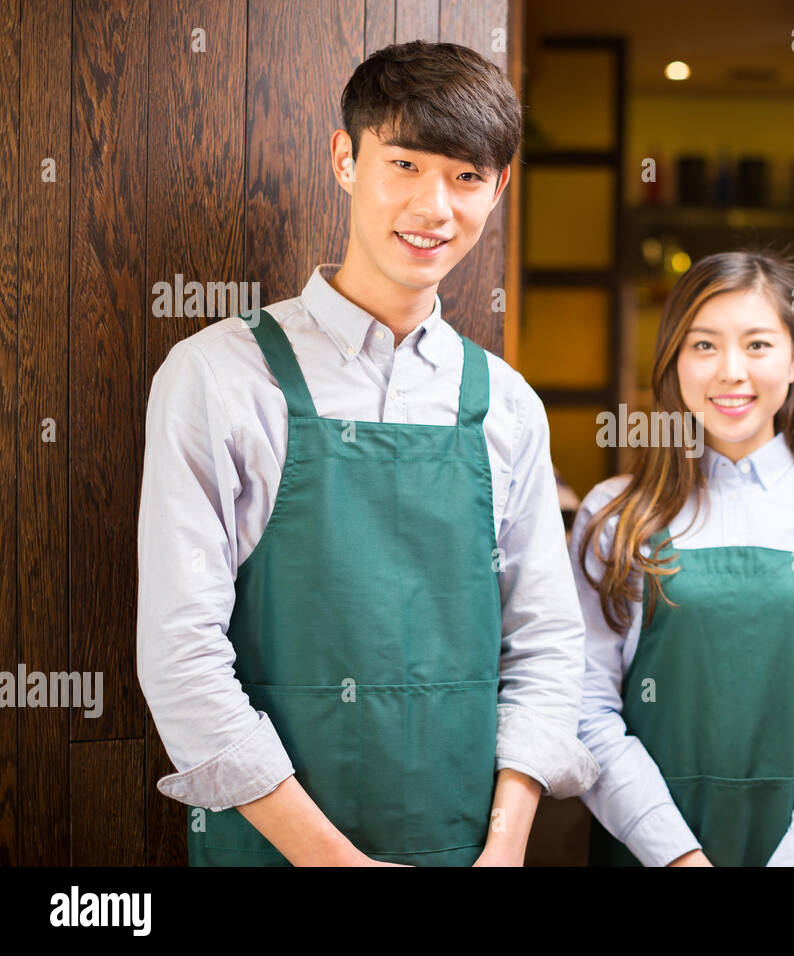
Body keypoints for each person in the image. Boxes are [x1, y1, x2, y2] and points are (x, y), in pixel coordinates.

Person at [137, 40, 597, 867]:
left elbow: (547, 647)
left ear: (497, 190)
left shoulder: (510, 407)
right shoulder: (217, 376)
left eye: (465, 177)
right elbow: (180, 659)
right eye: (406, 164)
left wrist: (502, 850)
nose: (433, 206)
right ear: (346, 159)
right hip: (272, 850)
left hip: (465, 848)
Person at [571, 250, 794, 867]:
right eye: (703, 345)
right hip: (646, 852)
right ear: (673, 359)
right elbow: (587, 709)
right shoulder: (614, 516)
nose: (730, 371)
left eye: (757, 345)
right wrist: (676, 856)